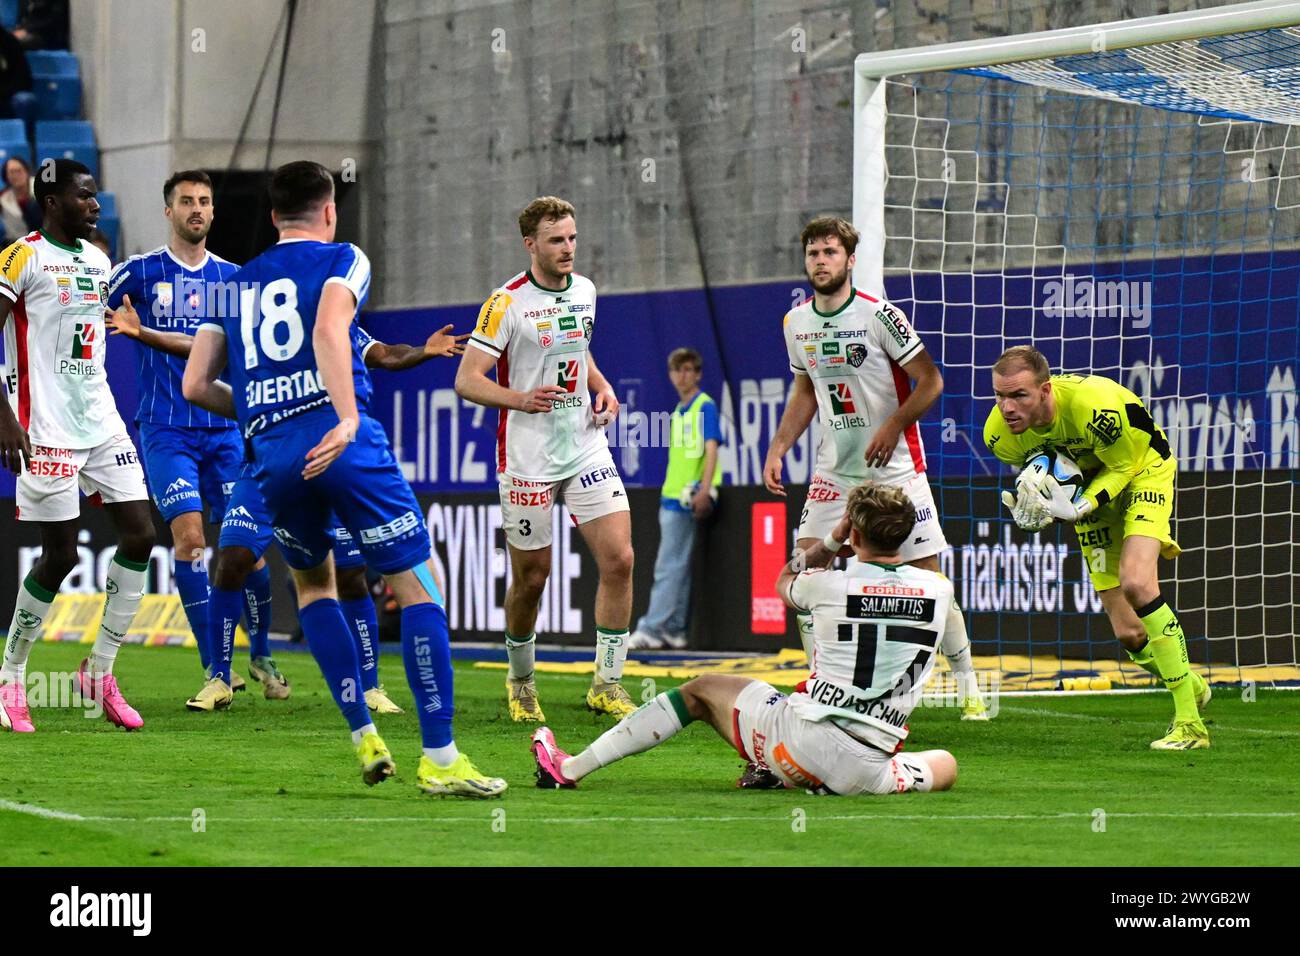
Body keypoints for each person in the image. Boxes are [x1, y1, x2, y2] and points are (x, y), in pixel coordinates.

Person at [182, 160, 503, 796]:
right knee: (417, 589)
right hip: (340, 442)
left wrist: (260, 413)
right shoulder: (345, 257)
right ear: (329, 212)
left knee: (313, 587)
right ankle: (440, 758)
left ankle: (363, 736)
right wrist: (347, 417)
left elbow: (196, 384)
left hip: (273, 458)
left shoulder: (233, 286)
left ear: (273, 217)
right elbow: (332, 327)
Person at [112, 294, 467, 714]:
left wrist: (424, 351)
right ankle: (219, 678)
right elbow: (196, 347)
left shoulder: (340, 329)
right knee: (233, 557)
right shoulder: (260, 334)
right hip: (265, 462)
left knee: (350, 576)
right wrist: (144, 333)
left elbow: (387, 355)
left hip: (331, 462)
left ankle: (369, 686)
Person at [532, 482, 958, 795]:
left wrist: (831, 538)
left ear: (856, 535)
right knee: (947, 764)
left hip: (799, 743)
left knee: (702, 691)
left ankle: (568, 769)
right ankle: (780, 771)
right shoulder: (940, 589)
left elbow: (787, 575)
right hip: (867, 771)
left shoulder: (828, 584)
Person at [763, 216, 988, 721]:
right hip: (833, 472)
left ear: (849, 260)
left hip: (896, 471)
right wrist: (779, 446)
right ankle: (822, 680)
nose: (821, 261)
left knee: (931, 581)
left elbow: (930, 381)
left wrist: (893, 425)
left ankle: (969, 686)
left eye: (830, 252)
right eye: (813, 253)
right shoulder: (795, 323)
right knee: (806, 570)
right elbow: (804, 389)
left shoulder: (880, 316)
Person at [103, 170, 282, 706]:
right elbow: (87, 309)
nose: (197, 209)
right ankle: (214, 667)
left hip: (225, 431)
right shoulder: (138, 271)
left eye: (204, 201)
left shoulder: (235, 279)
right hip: (165, 430)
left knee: (244, 552)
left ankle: (263, 652)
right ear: (169, 211)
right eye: (187, 201)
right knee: (190, 541)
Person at [455, 195, 636, 722]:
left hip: (584, 446)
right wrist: (520, 399)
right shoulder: (505, 303)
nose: (568, 249)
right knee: (532, 579)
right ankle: (521, 682)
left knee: (620, 559)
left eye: (573, 238)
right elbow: (466, 380)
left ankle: (607, 682)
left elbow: (579, 353)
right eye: (556, 240)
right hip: (527, 458)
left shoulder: (585, 291)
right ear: (530, 244)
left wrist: (601, 388)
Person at [986, 345, 1212, 750]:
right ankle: (1190, 682)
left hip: (1143, 470)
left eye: (1018, 395)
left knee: (1137, 583)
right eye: (1000, 396)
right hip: (1092, 493)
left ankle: (1190, 725)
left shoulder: (1095, 407)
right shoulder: (999, 437)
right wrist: (1040, 507)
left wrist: (1080, 507)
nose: (1007, 407)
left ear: (1045, 390)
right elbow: (1058, 479)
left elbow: (1124, 466)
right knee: (1128, 632)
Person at [0, 158, 154, 733]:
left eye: (95, 196)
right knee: (61, 555)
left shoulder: (98, 259)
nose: (95, 204)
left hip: (101, 419)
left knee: (140, 532)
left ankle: (100, 670)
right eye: (85, 196)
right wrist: (4, 418)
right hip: (43, 426)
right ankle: (11, 676)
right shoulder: (21, 257)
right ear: (53, 200)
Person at [627, 347, 721, 651]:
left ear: (698, 374)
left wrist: (705, 490)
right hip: (673, 495)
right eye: (678, 370)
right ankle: (676, 629)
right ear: (670, 374)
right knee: (678, 565)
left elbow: (712, 449)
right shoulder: (681, 411)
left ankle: (652, 628)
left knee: (668, 566)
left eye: (690, 369)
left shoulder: (704, 406)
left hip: (688, 497)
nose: (683, 375)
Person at [0, 157, 43, 242]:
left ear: (27, 172)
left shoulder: (43, 187)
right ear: (6, 176)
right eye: (12, 172)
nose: (16, 175)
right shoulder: (2, 198)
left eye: (19, 170)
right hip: (17, 244)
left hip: (45, 240)